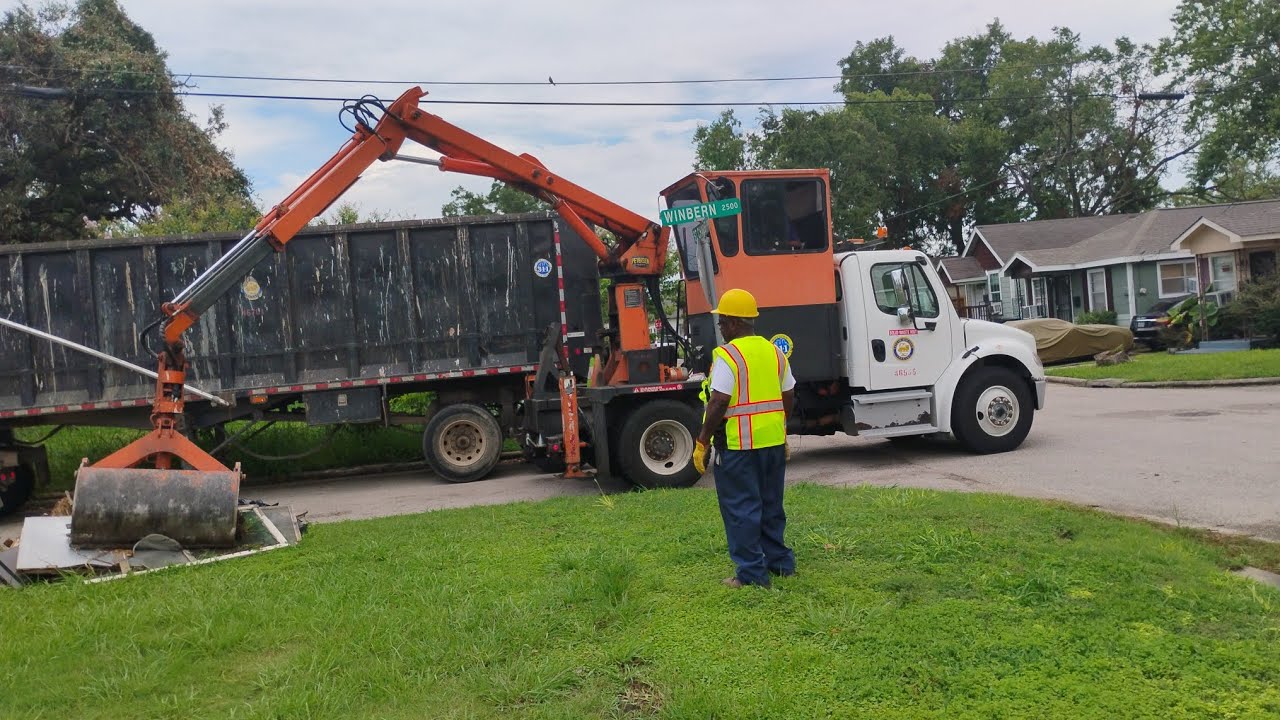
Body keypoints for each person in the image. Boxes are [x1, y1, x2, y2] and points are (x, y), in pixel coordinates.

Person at [693, 288, 796, 589]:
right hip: (773, 443)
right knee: (771, 504)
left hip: (739, 446)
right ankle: (779, 563)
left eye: (723, 322)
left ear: (735, 323)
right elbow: (788, 393)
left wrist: (702, 442)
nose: (721, 328)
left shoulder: (729, 355)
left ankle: (751, 574)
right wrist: (781, 428)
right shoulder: (775, 353)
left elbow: (718, 401)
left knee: (741, 508)